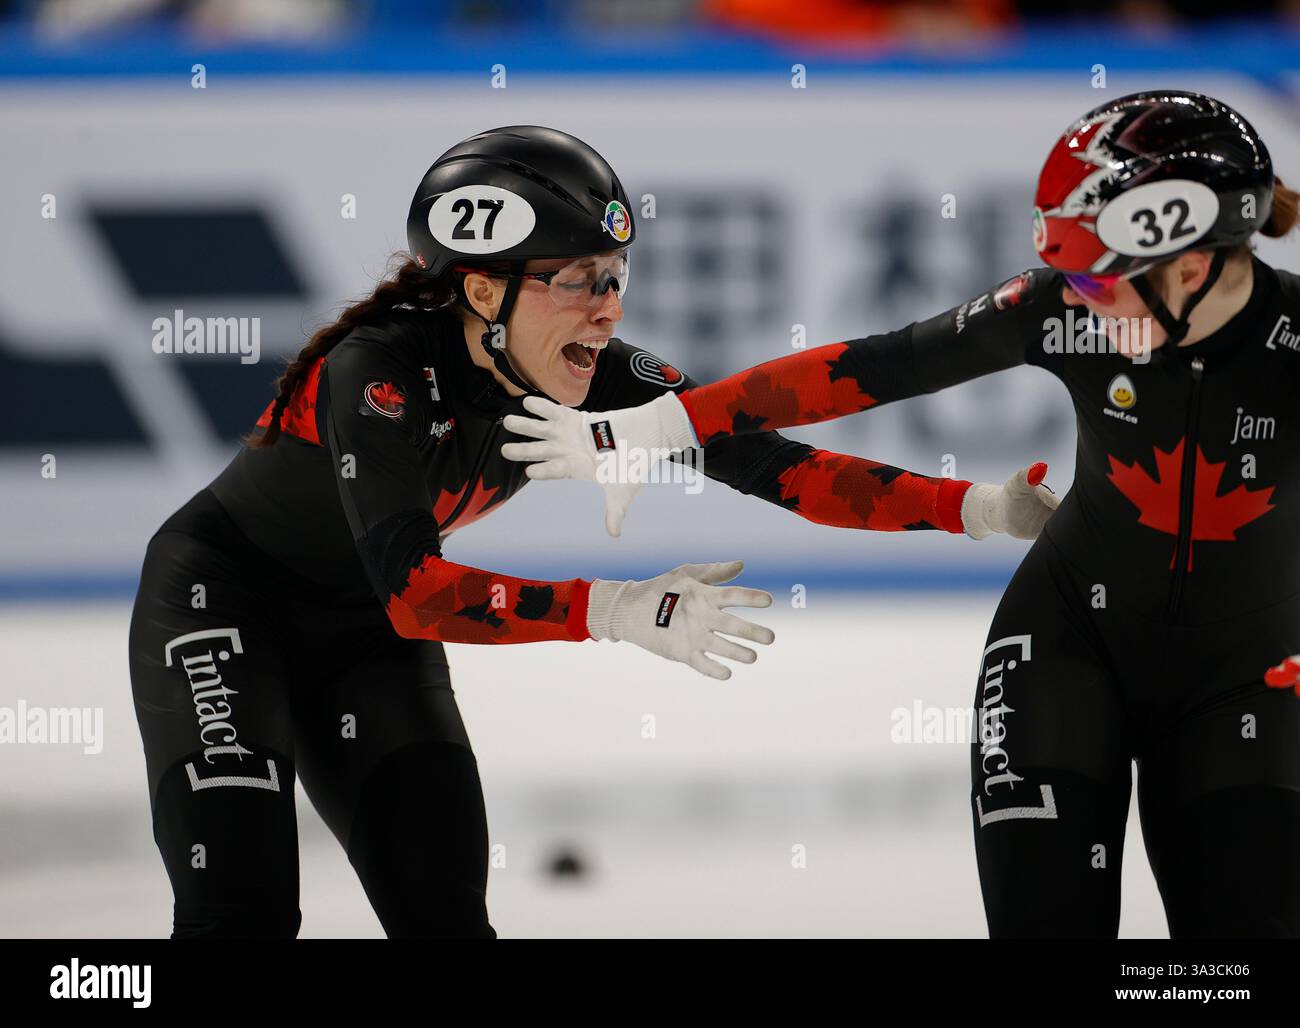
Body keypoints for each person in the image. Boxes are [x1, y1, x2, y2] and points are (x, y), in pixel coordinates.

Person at [127, 125, 1047, 939]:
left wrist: (970, 508)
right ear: (482, 290)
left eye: (616, 278)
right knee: (238, 917)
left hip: (365, 634)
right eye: (575, 281)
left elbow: (784, 471)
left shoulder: (603, 371)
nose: (607, 308)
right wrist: (613, 610)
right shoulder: (377, 373)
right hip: (225, 606)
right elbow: (414, 597)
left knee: (443, 918)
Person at [502, 92, 1300, 937]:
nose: (1081, 299)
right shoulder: (1062, 312)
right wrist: (666, 423)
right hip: (1069, 650)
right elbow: (877, 366)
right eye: (1068, 274)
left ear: (1191, 263)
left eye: (1099, 277)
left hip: (1249, 679)